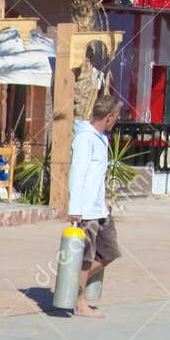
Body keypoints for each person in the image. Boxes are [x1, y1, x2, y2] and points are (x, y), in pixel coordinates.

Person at [67, 93, 122, 319]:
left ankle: (71, 285)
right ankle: (79, 302)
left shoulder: (102, 139)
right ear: (109, 117)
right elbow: (77, 175)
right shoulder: (85, 139)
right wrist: (75, 208)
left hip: (100, 208)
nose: (117, 119)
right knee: (86, 258)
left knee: (110, 252)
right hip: (86, 210)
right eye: (116, 116)